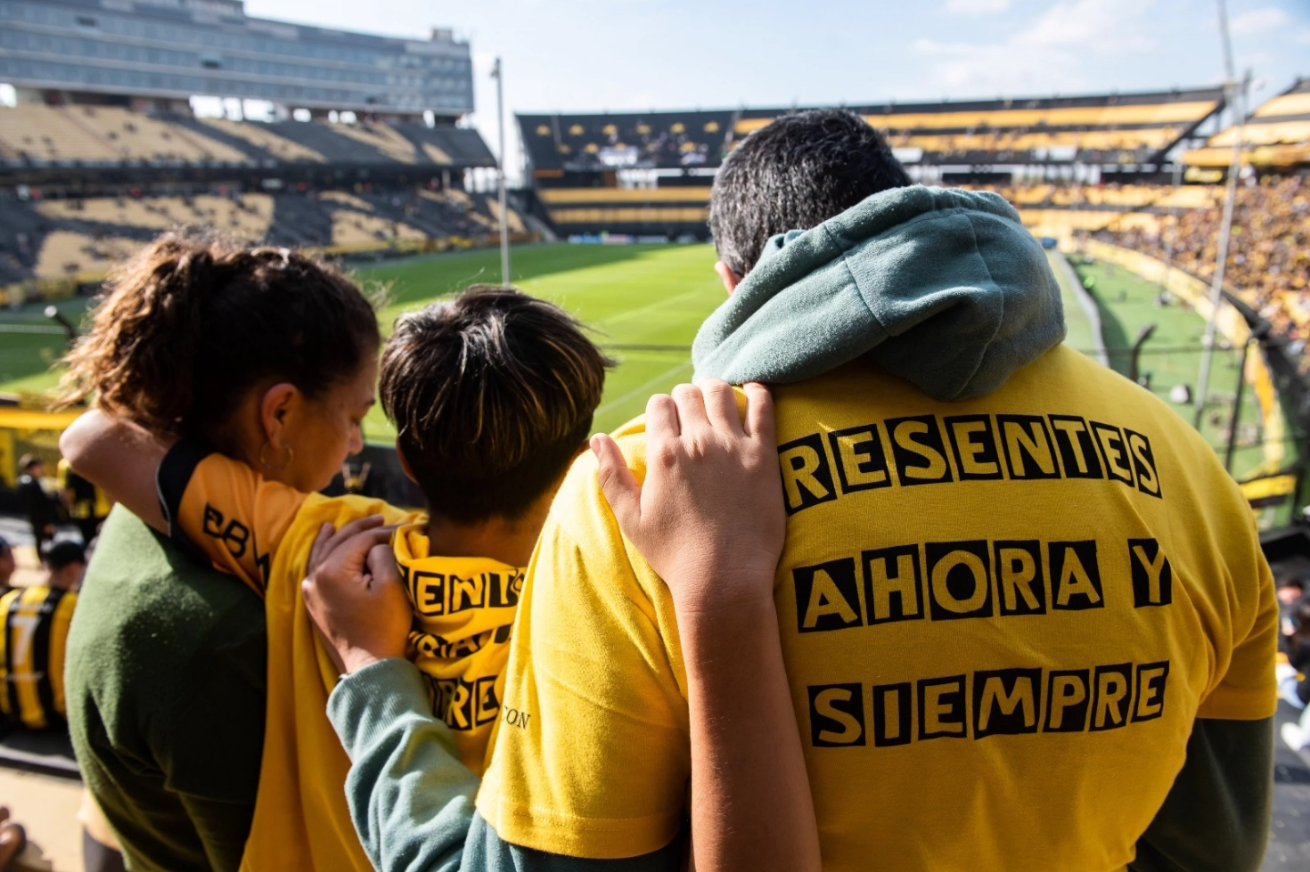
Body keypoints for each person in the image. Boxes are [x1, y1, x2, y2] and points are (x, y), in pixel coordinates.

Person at [330, 110, 1278, 870]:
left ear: (733, 280)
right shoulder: (1190, 469)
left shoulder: (637, 490)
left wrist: (373, 685)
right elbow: (1214, 847)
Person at [63, 282, 819, 870]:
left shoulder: (326, 546)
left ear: (412, 463)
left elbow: (96, 439)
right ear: (577, 459)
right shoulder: (633, 594)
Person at [56, 232, 380, 871]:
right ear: (279, 414)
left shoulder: (146, 515)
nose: (356, 444)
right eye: (352, 416)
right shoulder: (228, 636)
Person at [0, 539, 84, 731]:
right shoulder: (73, 605)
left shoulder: (7, 602)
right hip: (60, 716)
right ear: (73, 569)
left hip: (12, 712)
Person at [16, 454, 60, 554]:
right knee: (45, 539)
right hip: (40, 518)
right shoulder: (31, 483)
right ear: (32, 468)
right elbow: (39, 503)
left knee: (41, 539)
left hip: (35, 517)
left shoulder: (26, 481)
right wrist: (47, 521)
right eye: (39, 467)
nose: (41, 469)